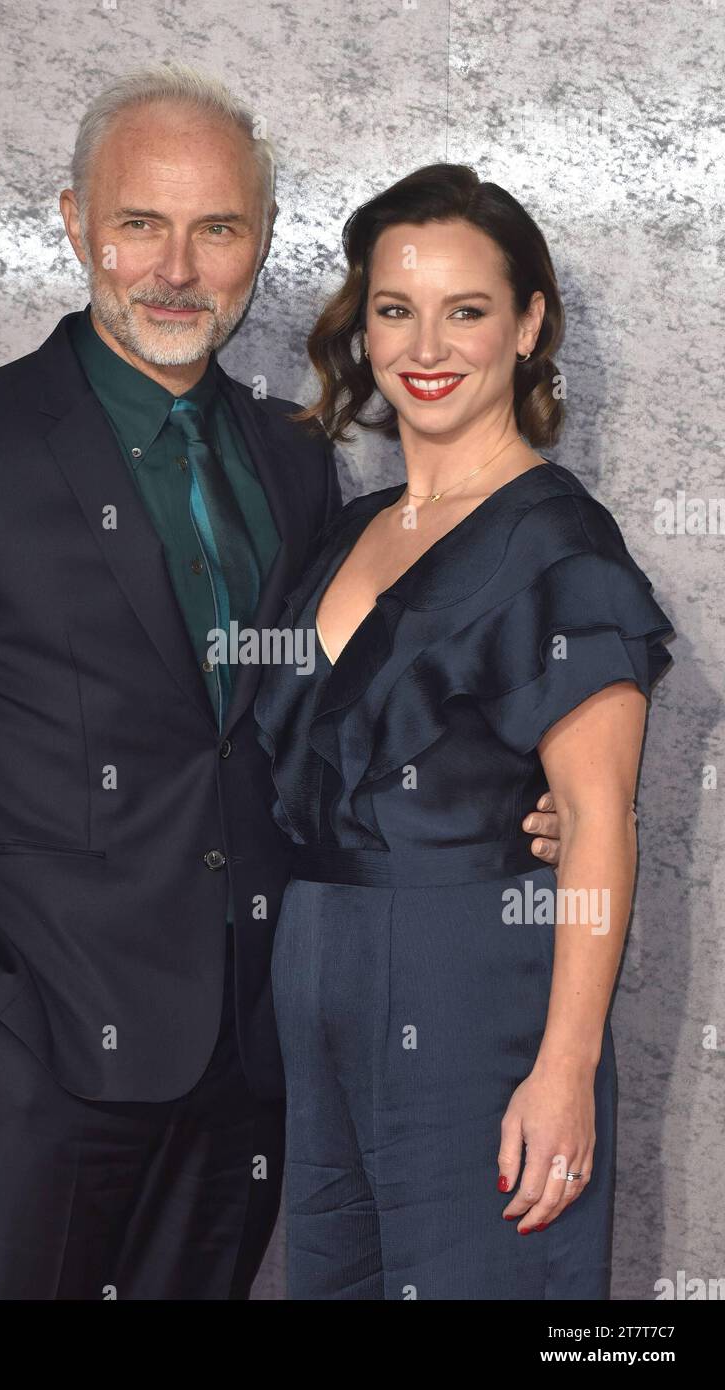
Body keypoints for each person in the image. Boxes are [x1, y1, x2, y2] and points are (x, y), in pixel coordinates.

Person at [0, 67, 558, 1300]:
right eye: (138, 222)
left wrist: (519, 805)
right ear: (73, 224)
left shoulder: (294, 457)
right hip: (35, 1048)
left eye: (216, 228)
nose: (177, 266)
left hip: (254, 1050)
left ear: (259, 247)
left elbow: (327, 718)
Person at [253, 163, 675, 1300]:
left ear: (529, 322)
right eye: (395, 308)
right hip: (313, 967)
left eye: (467, 309)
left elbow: (595, 820)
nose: (425, 344)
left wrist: (566, 1068)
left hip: (465, 979)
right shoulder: (346, 533)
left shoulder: (559, 546)